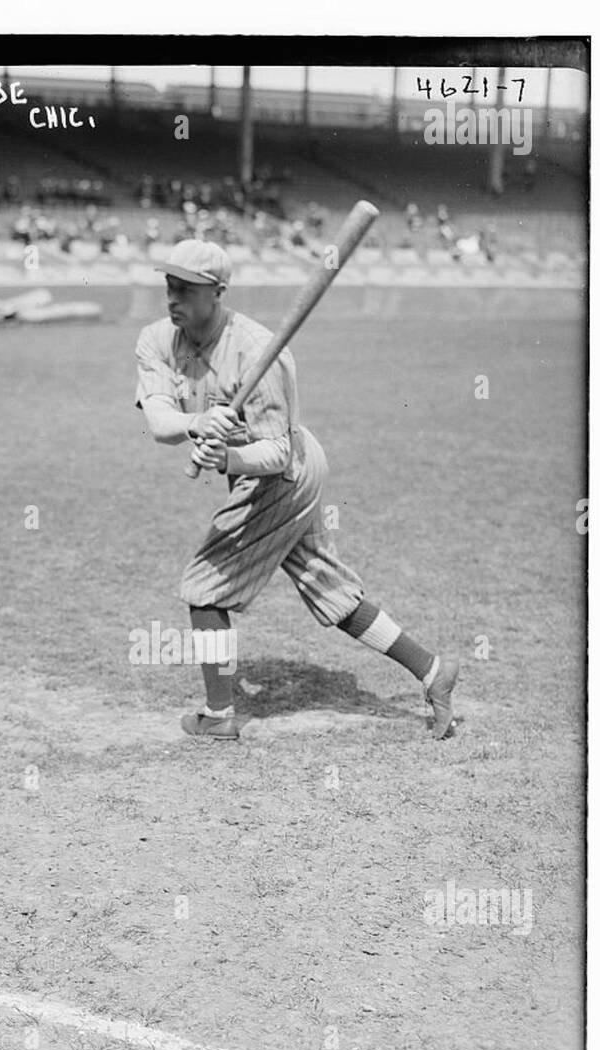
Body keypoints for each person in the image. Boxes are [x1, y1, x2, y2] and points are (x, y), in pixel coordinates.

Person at [134, 240, 459, 742]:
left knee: (204, 587)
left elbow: (278, 455)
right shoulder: (157, 339)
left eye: (186, 289)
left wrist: (226, 457)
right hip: (259, 469)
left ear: (217, 292)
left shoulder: (261, 354)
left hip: (285, 472)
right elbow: (158, 421)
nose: (172, 298)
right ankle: (433, 671)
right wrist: (197, 422)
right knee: (325, 586)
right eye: (169, 286)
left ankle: (218, 715)